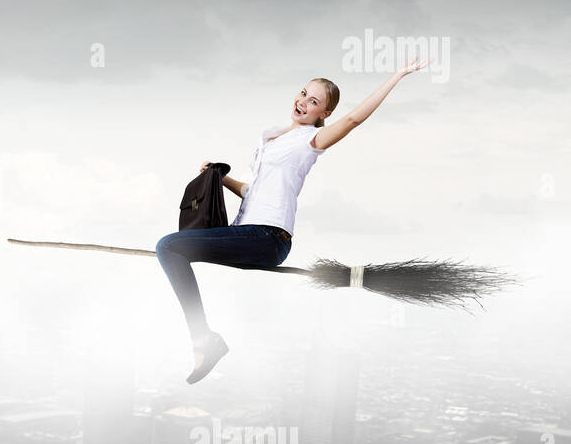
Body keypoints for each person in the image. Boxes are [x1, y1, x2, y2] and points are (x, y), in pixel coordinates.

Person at [155, 58, 429, 383]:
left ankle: (203, 340)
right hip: (246, 232)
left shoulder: (310, 142)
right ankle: (205, 339)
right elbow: (254, 192)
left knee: (168, 246)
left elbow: (354, 118)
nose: (303, 102)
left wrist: (397, 76)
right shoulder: (272, 140)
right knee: (174, 247)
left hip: (268, 239)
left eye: (314, 101)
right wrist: (219, 176)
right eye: (303, 94)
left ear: (323, 114)